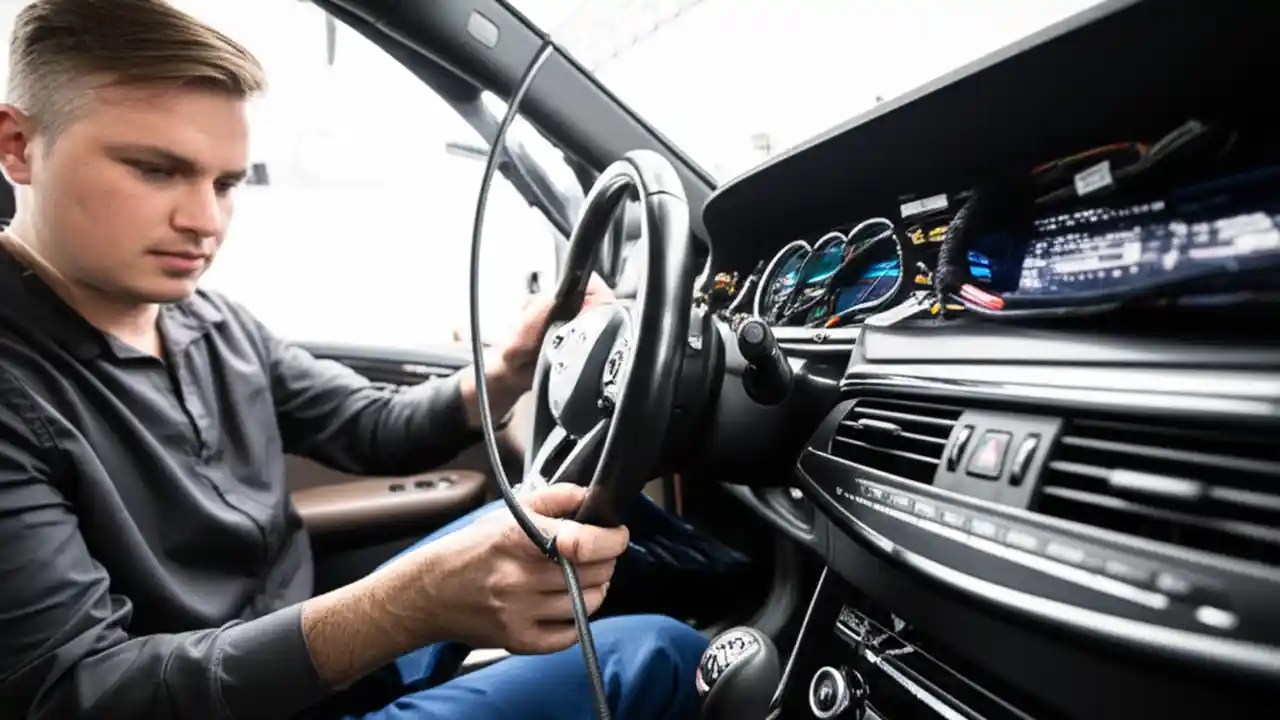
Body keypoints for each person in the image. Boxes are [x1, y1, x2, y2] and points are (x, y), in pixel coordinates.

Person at [0, 1, 707, 718]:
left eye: (225, 184)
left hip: (289, 645)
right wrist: (403, 608)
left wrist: (506, 369)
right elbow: (75, 694)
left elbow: (369, 425)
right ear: (18, 145)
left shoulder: (201, 315)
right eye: (156, 171)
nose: (205, 222)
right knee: (659, 654)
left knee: (591, 523)